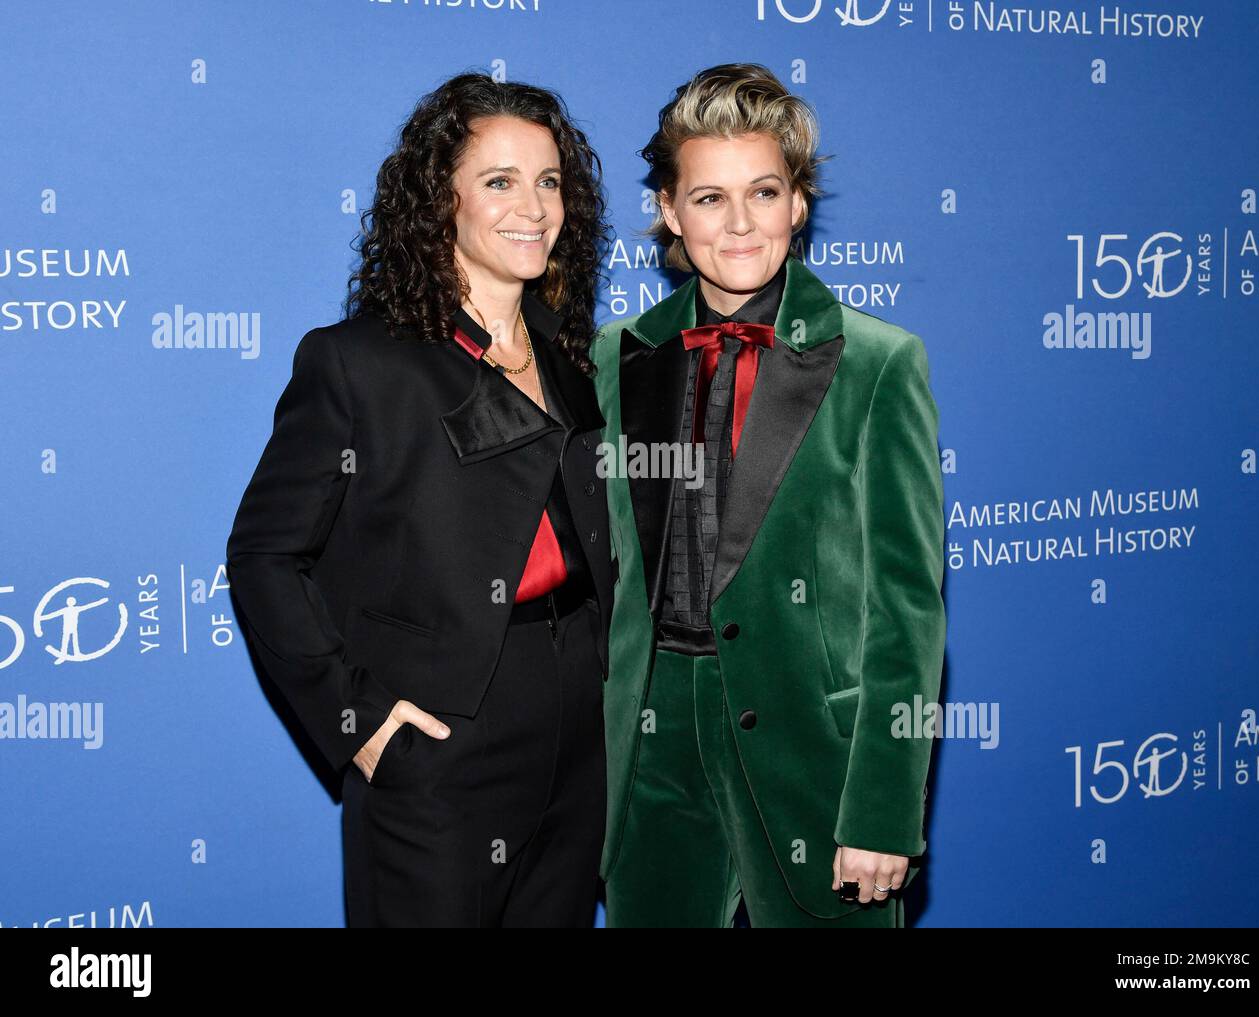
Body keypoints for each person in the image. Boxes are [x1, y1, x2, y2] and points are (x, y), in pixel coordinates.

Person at [225, 72, 614, 927]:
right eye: (500, 181)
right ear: (441, 202)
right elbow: (263, 554)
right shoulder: (361, 362)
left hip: (580, 727)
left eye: (550, 181)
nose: (535, 206)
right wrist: (357, 717)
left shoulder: (573, 356)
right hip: (440, 740)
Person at [591, 63, 946, 927]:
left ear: (799, 204)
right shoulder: (613, 356)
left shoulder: (877, 361)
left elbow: (907, 610)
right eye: (709, 198)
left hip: (813, 755)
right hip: (650, 746)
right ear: (671, 214)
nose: (740, 222)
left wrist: (883, 811)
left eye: (764, 192)